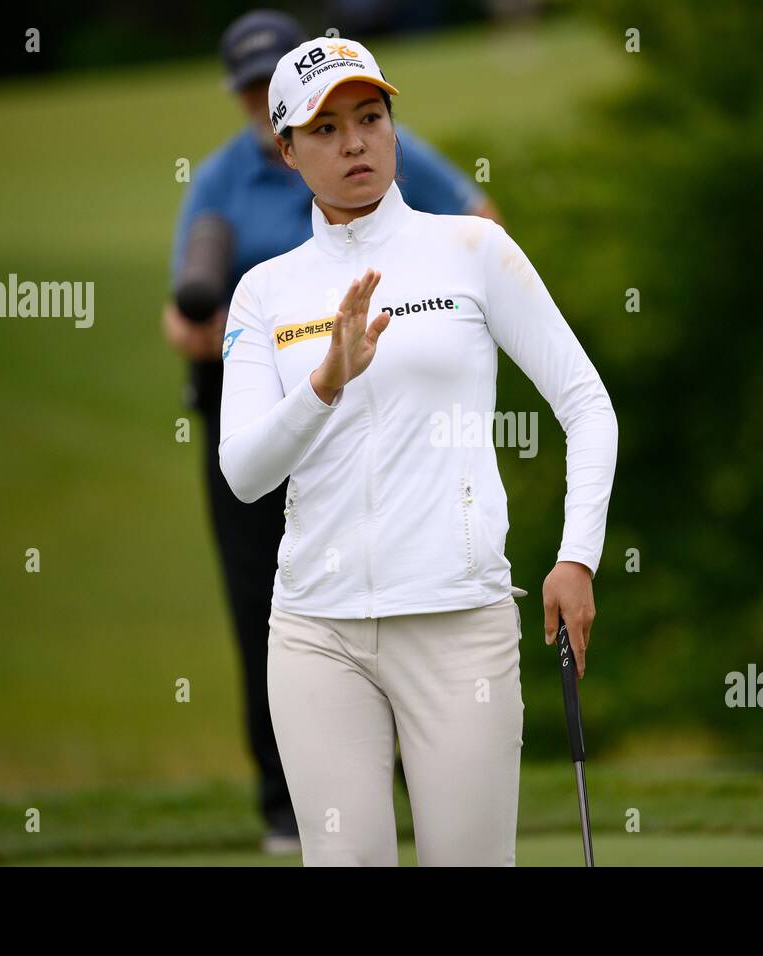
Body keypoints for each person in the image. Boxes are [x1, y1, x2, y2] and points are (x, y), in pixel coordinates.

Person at [219, 35, 618, 866]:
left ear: (393, 128)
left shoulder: (472, 251)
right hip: (315, 632)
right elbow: (245, 473)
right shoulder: (264, 293)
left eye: (370, 118)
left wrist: (577, 557)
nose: (355, 142)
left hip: (458, 622)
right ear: (286, 150)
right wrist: (325, 381)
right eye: (325, 129)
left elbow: (586, 404)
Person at [163, 10, 503, 855]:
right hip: (253, 384)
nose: (350, 139)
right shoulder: (219, 181)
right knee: (263, 597)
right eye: (247, 89)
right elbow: (184, 310)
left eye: (261, 79)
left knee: (385, 575)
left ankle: (416, 762)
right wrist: (228, 335)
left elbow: (478, 213)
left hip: (378, 374)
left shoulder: (379, 142)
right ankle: (286, 796)